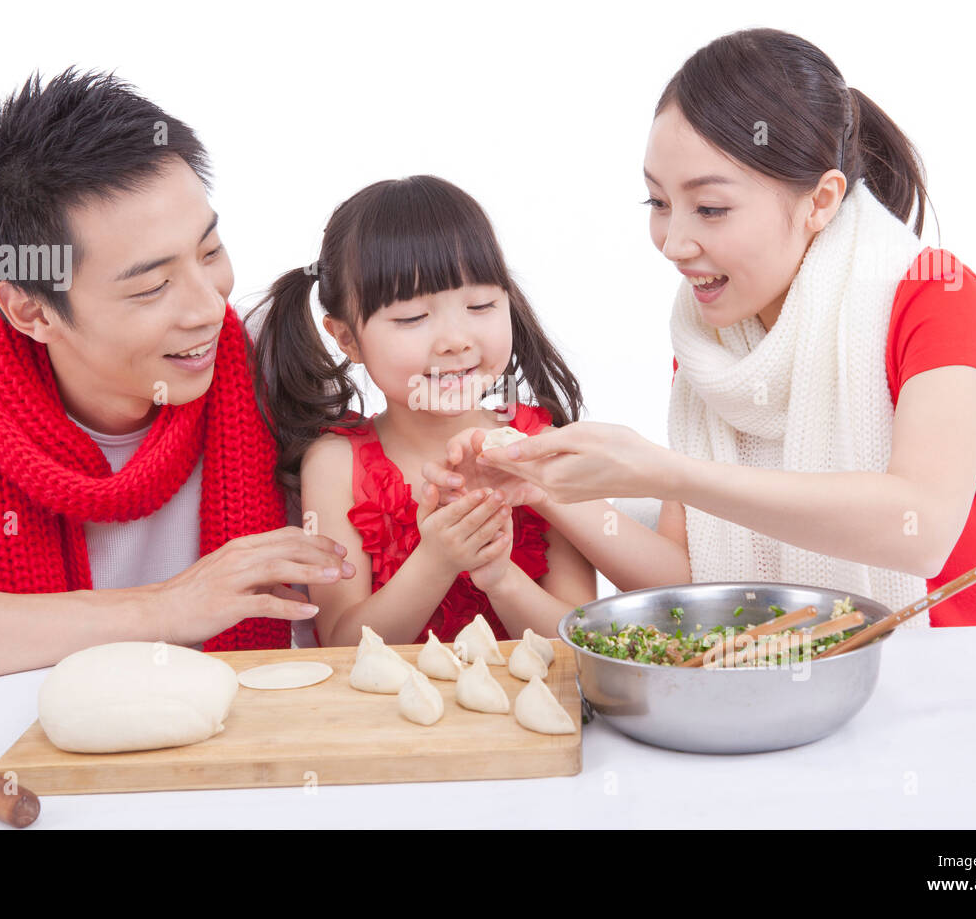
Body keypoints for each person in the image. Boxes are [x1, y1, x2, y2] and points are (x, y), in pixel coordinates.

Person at [425, 28, 976, 628]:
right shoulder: (711, 339)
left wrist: (664, 471)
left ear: (821, 200)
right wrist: (545, 489)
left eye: (711, 208)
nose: (673, 242)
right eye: (658, 203)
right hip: (809, 680)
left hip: (968, 673)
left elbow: (922, 527)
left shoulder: (932, 292)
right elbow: (689, 581)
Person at [0, 69, 354, 697]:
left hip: (243, 756)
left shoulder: (267, 360)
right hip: (17, 756)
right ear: (32, 311)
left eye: (209, 252)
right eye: (152, 286)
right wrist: (165, 608)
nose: (209, 308)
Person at [247, 175, 689, 646]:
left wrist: (501, 575)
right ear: (347, 338)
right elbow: (342, 645)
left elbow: (576, 641)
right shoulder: (336, 463)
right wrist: (437, 562)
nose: (456, 340)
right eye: (413, 318)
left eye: (480, 305)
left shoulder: (537, 443)